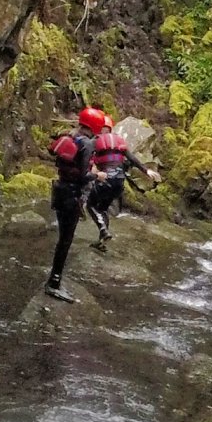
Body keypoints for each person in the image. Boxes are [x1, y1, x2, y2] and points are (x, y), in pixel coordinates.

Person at [44, 105, 107, 302]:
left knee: (63, 238)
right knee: (65, 240)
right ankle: (54, 283)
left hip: (60, 190)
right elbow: (83, 176)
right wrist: (98, 175)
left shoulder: (70, 136)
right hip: (72, 195)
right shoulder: (87, 144)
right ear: (96, 126)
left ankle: (55, 280)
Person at [85, 117, 154, 249]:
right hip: (119, 181)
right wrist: (146, 171)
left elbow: (86, 157)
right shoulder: (118, 141)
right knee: (103, 208)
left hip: (106, 179)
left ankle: (103, 229)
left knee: (91, 205)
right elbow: (132, 158)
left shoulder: (96, 140)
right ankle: (102, 243)